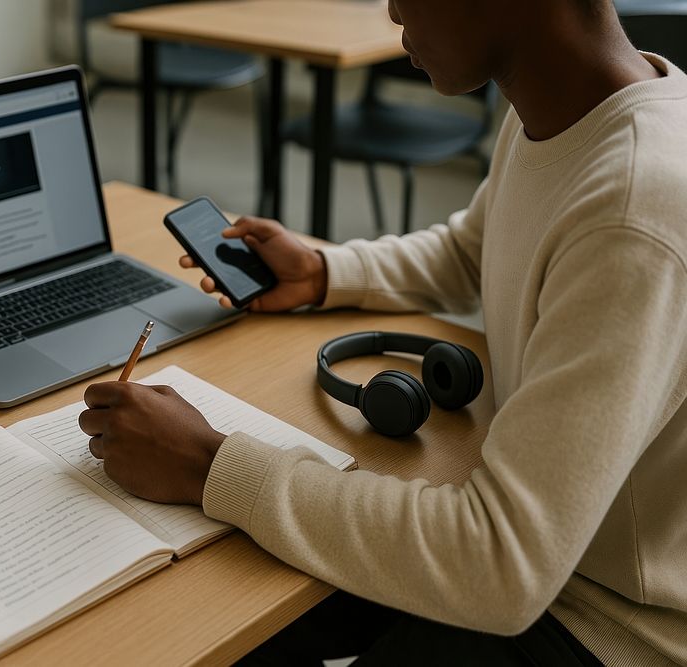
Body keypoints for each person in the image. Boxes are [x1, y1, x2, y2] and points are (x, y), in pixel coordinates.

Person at [77, 0, 687, 663]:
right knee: (219, 596)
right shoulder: (564, 109)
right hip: (546, 560)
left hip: (603, 623)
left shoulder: (633, 209)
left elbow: (499, 562)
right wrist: (322, 272)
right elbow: (472, 250)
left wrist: (207, 462)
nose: (392, 9)